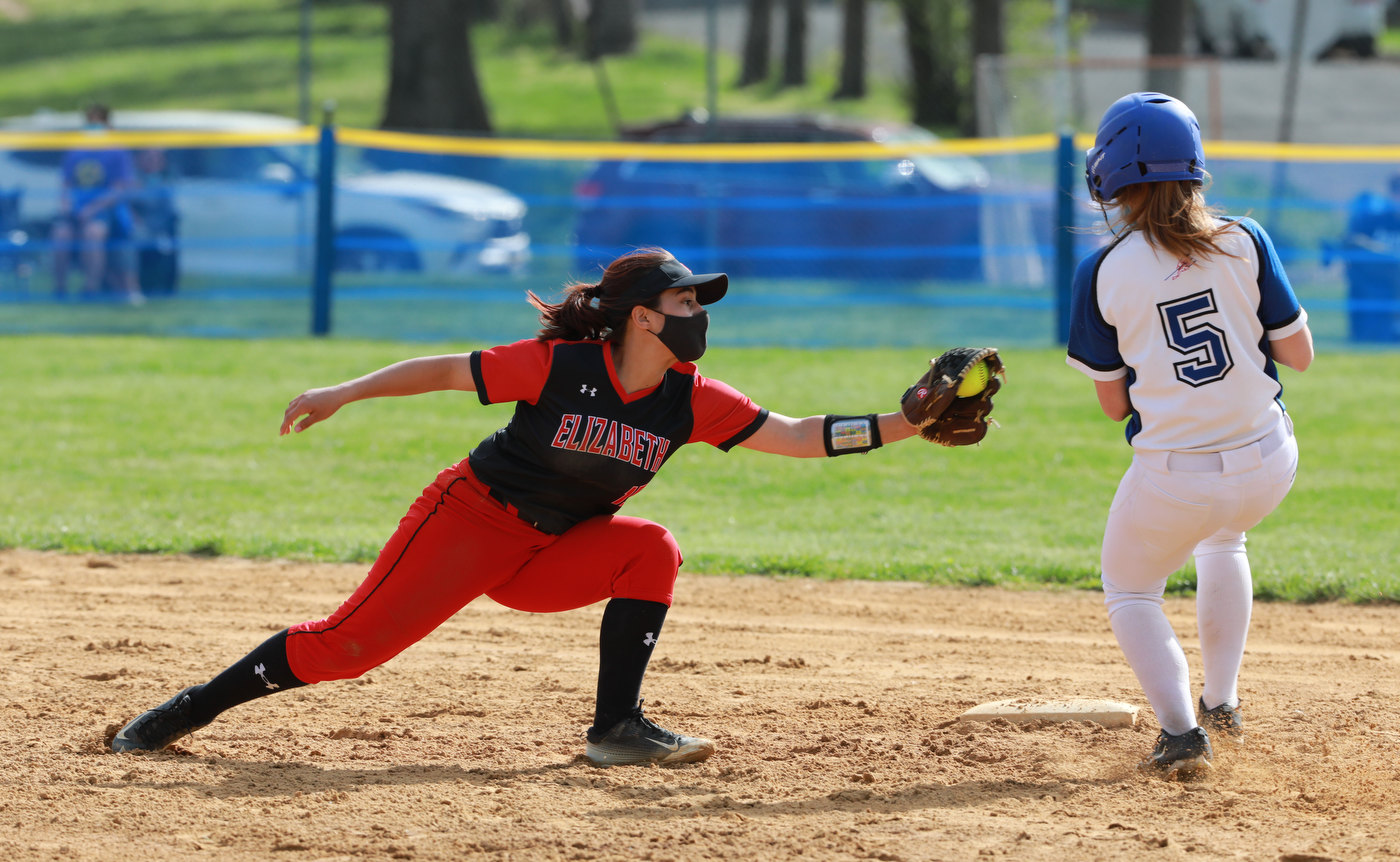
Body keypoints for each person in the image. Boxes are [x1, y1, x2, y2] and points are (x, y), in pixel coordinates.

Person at [109, 248, 934, 766]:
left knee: (651, 548)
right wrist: (344, 391)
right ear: (643, 317)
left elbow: (794, 435)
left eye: (699, 302)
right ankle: (181, 714)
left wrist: (909, 423)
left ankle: (616, 729)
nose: (699, 314)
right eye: (685, 303)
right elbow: (440, 370)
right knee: (348, 647)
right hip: (471, 522)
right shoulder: (560, 366)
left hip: (553, 552)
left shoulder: (692, 400)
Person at [1069, 93, 1314, 777]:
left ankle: (1181, 735)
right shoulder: (1245, 238)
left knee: (1130, 588)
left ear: (1112, 172)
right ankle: (1222, 702)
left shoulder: (1103, 270)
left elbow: (1113, 403)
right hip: (1270, 461)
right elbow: (1299, 356)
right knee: (1225, 535)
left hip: (1176, 475)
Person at [51, 103, 144, 305]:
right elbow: (66, 185)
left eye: (98, 122)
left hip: (104, 210)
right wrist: (66, 205)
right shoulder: (75, 152)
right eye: (90, 122)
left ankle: (90, 288)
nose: (94, 127)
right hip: (76, 209)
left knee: (93, 233)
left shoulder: (117, 152)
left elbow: (119, 189)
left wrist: (92, 209)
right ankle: (59, 289)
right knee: (61, 234)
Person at [1336, 172, 1400, 343]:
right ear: (1392, 195)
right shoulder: (1374, 220)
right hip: (1379, 276)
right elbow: (1352, 240)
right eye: (1397, 193)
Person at [129, 147, 180, 296]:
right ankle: (135, 288)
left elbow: (162, 206)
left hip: (161, 228)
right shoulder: (132, 178)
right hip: (138, 227)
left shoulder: (168, 180)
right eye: (149, 158)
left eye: (157, 158)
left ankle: (167, 288)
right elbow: (128, 202)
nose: (153, 162)